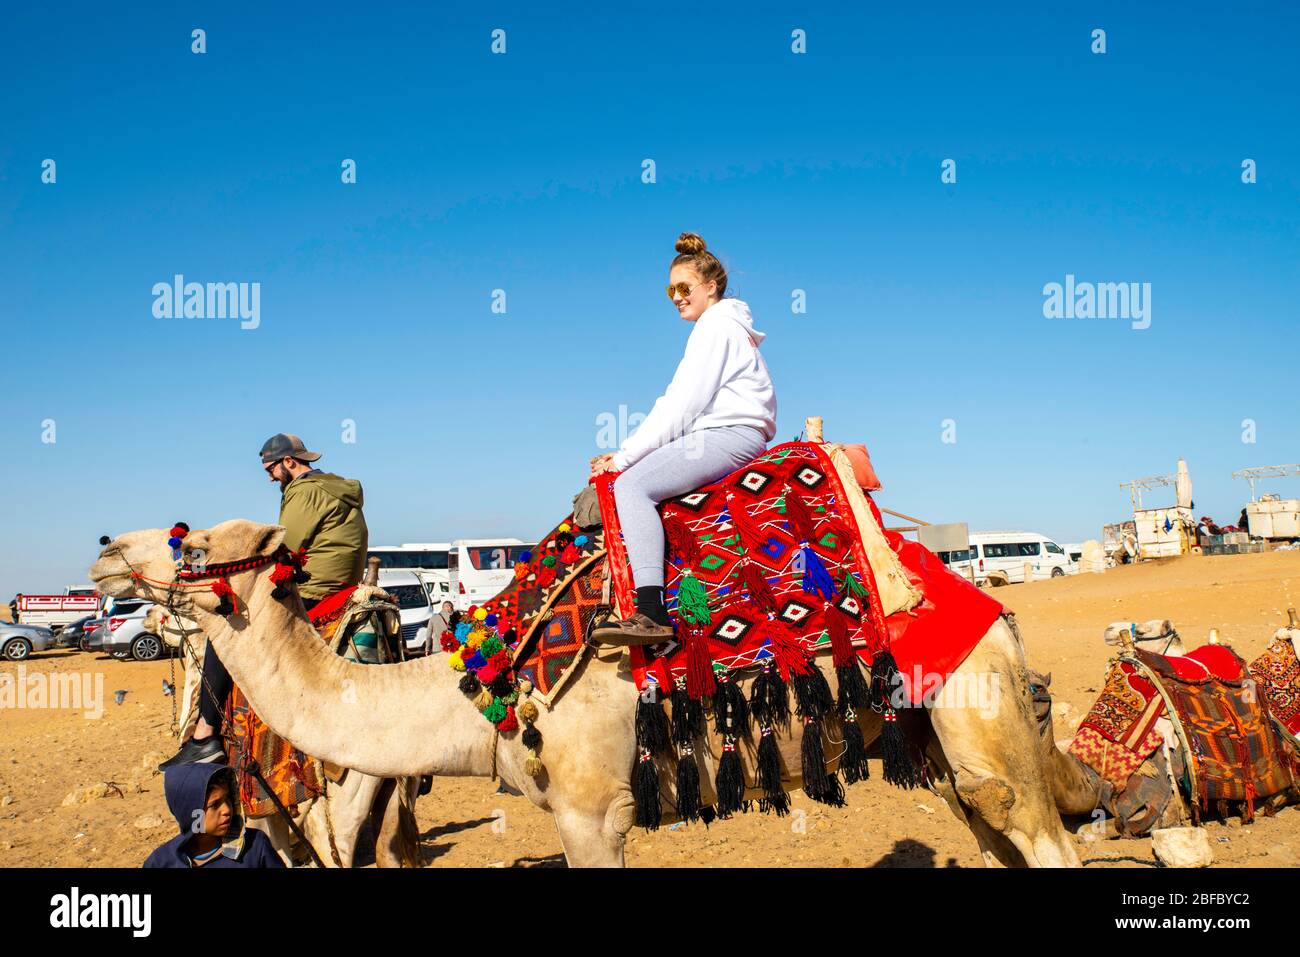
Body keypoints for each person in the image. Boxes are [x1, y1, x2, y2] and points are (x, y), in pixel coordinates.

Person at [589, 233, 776, 645]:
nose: (676, 296)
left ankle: (651, 611)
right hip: (725, 434)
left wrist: (622, 460)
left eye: (684, 287)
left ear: (711, 287)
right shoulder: (723, 327)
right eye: (670, 289)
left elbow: (679, 406)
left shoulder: (716, 328)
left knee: (631, 487)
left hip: (730, 435)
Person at [158, 433, 369, 770]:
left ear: (289, 462)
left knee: (228, 632)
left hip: (314, 587)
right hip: (337, 581)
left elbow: (283, 549)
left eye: (271, 468)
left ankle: (205, 734)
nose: (269, 476)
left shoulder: (305, 493)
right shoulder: (332, 490)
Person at [144, 763, 283, 868]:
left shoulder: (255, 847)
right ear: (190, 812)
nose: (227, 810)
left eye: (228, 799)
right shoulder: (160, 862)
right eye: (214, 805)